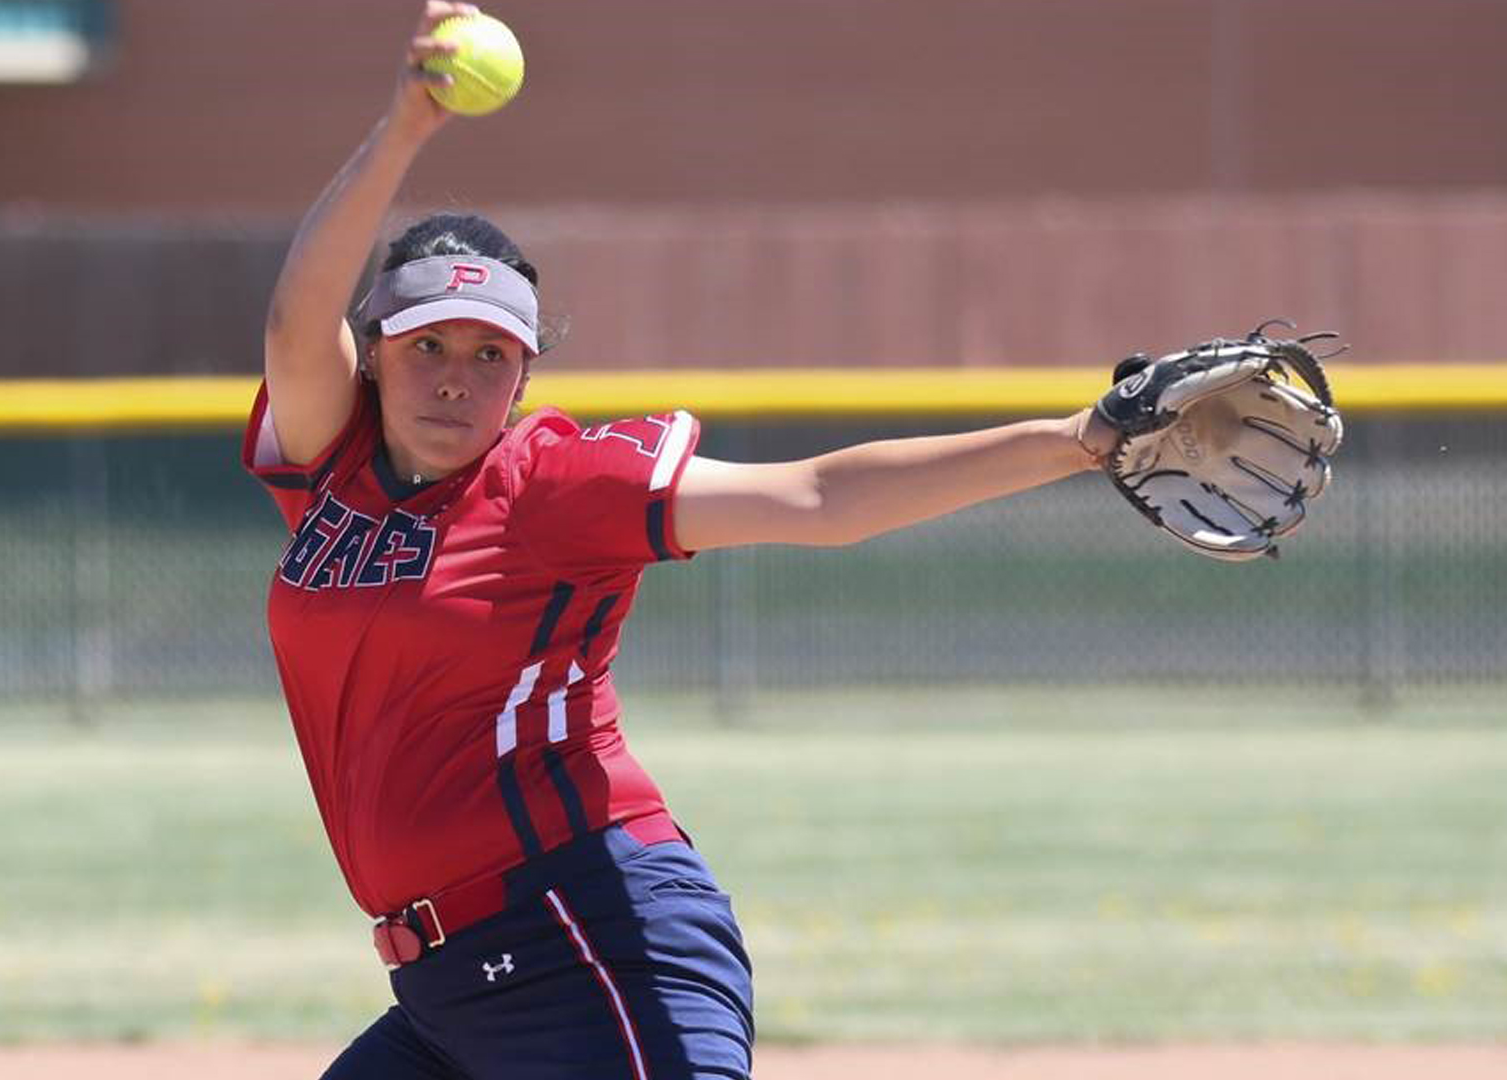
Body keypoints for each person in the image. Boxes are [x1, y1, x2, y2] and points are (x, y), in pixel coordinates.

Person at [251, 5, 1122, 1077]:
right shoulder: (329, 472)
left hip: (591, 944)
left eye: (491, 355)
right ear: (376, 355)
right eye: (427, 343)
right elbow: (297, 324)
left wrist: (1079, 441)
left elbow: (814, 499)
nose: (455, 377)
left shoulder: (556, 486)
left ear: (525, 377)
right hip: (444, 993)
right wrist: (402, 134)